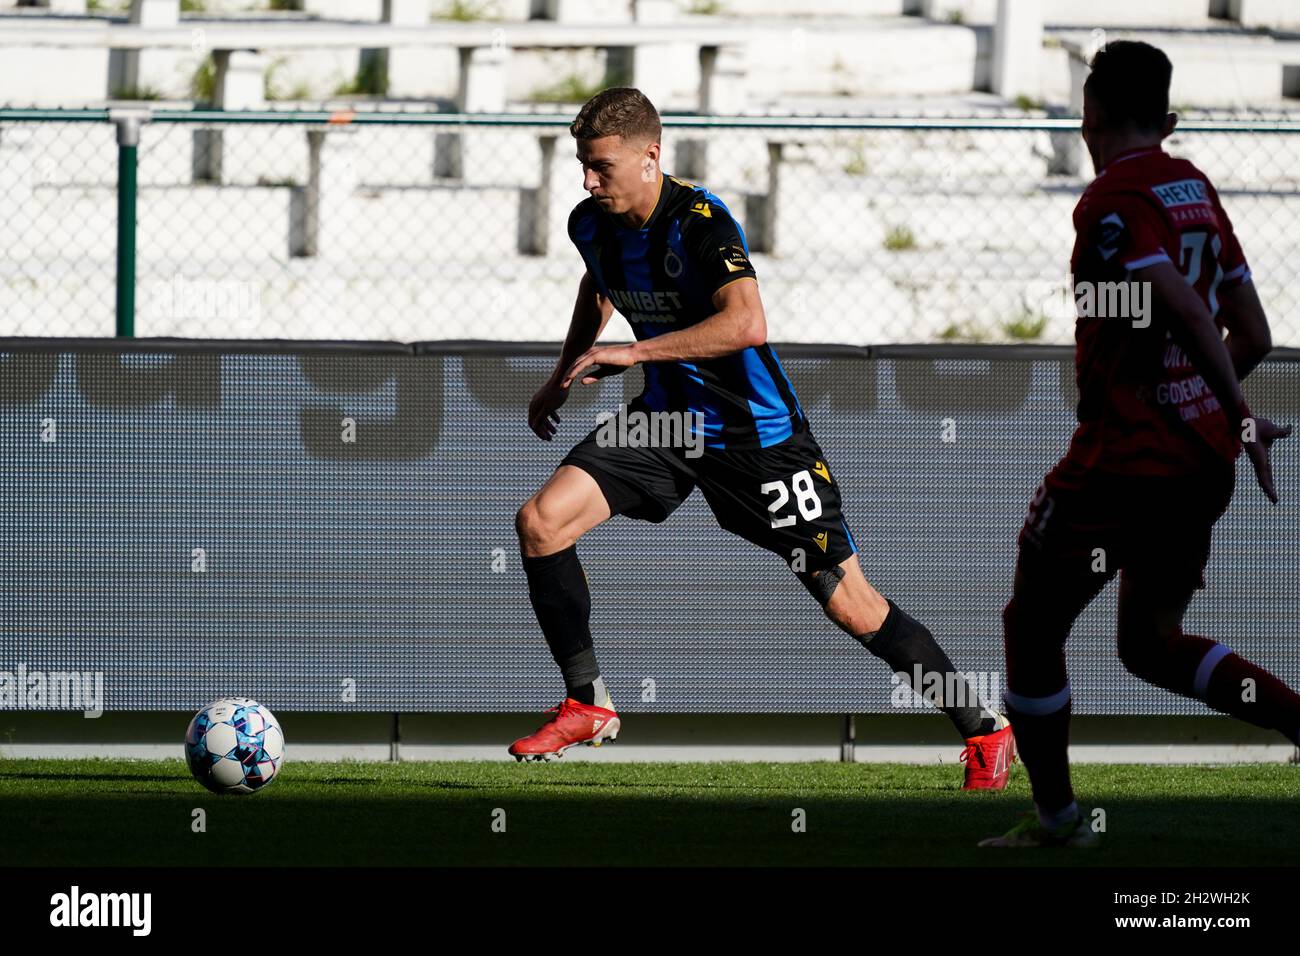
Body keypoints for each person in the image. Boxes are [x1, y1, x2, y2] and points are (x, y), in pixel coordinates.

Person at [509, 87, 1015, 789]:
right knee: (540, 522)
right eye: (583, 166)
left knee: (850, 603)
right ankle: (587, 701)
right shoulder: (590, 222)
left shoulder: (701, 222)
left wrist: (637, 353)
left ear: (651, 156)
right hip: (669, 424)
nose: (588, 181)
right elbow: (600, 283)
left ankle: (984, 729)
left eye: (602, 167)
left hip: (758, 438)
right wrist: (560, 374)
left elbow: (747, 324)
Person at [982, 41, 1297, 847]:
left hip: (1124, 460)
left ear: (1088, 116)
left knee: (1031, 626)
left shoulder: (1110, 200)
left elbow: (1190, 314)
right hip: (1197, 462)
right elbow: (1250, 331)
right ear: (1167, 119)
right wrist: (1216, 408)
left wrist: (1240, 413)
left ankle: (1057, 819)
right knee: (1150, 646)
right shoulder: (1193, 186)